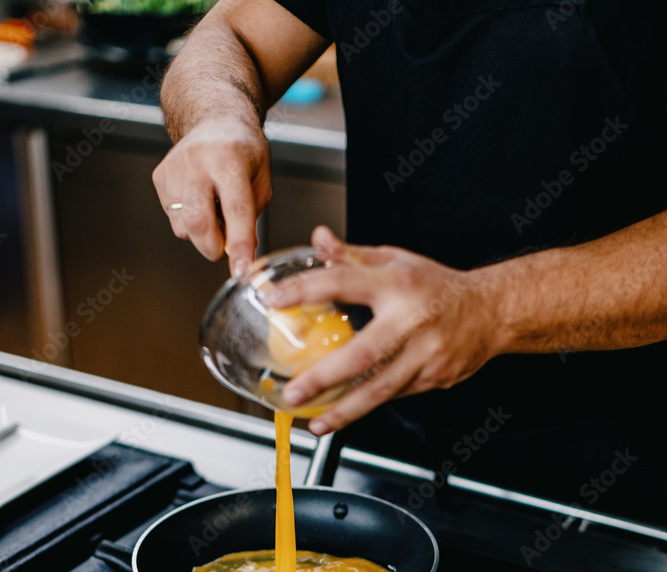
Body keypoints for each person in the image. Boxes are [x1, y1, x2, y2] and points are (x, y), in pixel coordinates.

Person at [153, 0, 667, 524]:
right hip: (385, 433)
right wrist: (216, 115)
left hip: (622, 476)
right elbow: (232, 31)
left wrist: (490, 307)